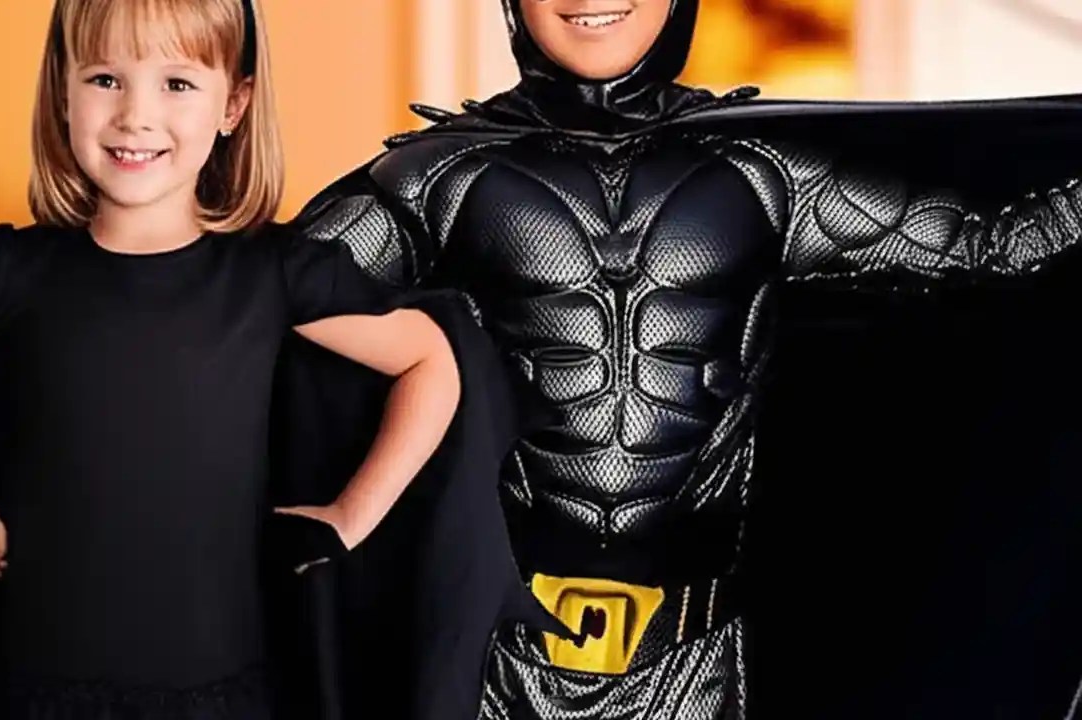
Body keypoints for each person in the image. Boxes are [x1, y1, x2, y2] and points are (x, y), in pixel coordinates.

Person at [288, 0, 1082, 717]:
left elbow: (999, 248)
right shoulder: (440, 181)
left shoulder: (766, 176)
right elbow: (254, 314)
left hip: (692, 668)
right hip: (493, 662)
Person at [0, 0, 468, 716]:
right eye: (105, 79)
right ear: (62, 90)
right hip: (31, 697)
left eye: (177, 84)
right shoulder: (13, 274)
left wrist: (350, 516)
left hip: (226, 698)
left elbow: (428, 361)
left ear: (235, 103)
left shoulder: (274, 276)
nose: (135, 114)